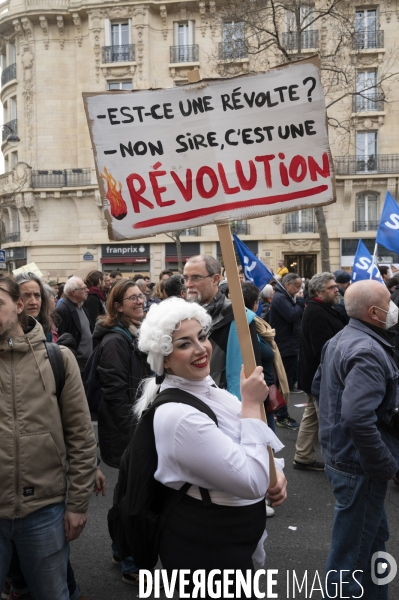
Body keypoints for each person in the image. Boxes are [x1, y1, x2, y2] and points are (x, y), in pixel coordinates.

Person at [136, 298, 287, 593]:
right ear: (164, 358)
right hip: (205, 546)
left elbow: (248, 445)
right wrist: (252, 403)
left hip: (230, 537)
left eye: (202, 337)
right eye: (184, 344)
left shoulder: (206, 388)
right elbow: (252, 482)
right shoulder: (179, 417)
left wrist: (276, 473)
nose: (201, 348)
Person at [0, 277, 97, 600]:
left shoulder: (58, 359)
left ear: (17, 306)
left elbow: (81, 435)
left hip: (44, 510)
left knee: (53, 594)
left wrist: (78, 504)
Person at [313, 279, 399, 599]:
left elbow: (318, 389)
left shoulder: (342, 339)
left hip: (344, 457)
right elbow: (357, 417)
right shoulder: (366, 349)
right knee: (351, 555)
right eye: (389, 302)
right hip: (358, 465)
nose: (393, 308)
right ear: (374, 312)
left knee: (373, 540)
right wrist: (384, 464)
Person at [92, 279, 151, 585]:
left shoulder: (134, 333)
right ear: (117, 306)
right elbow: (115, 394)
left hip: (136, 427)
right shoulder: (115, 340)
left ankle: (121, 549)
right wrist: (135, 435)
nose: (140, 301)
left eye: (141, 296)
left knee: (127, 495)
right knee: (134, 498)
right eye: (132, 298)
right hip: (127, 430)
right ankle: (130, 560)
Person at [183, 255, 262, 393]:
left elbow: (249, 372)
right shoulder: (179, 316)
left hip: (224, 403)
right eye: (185, 278)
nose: (189, 284)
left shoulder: (239, 317)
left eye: (196, 278)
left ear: (215, 279)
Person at [294, 273, 344, 471]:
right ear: (318, 291)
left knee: (312, 416)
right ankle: (335, 462)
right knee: (327, 420)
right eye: (331, 287)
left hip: (314, 375)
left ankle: (303, 456)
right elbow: (323, 349)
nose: (336, 290)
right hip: (320, 377)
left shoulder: (323, 309)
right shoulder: (317, 312)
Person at [269, 273, 305, 428]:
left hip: (289, 344)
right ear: (288, 284)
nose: (298, 290)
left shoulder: (285, 297)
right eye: (297, 286)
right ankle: (281, 415)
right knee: (283, 382)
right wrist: (301, 303)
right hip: (285, 346)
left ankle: (280, 413)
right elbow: (292, 316)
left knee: (285, 381)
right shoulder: (281, 298)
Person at [55, 276, 93, 375]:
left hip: (87, 362)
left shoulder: (82, 307)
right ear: (73, 292)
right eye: (84, 288)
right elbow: (61, 340)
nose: (87, 290)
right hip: (76, 364)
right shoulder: (62, 310)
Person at [15, 271, 53, 342]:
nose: (34, 302)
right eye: (26, 296)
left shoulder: (46, 328)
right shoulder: (6, 331)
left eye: (37, 295)